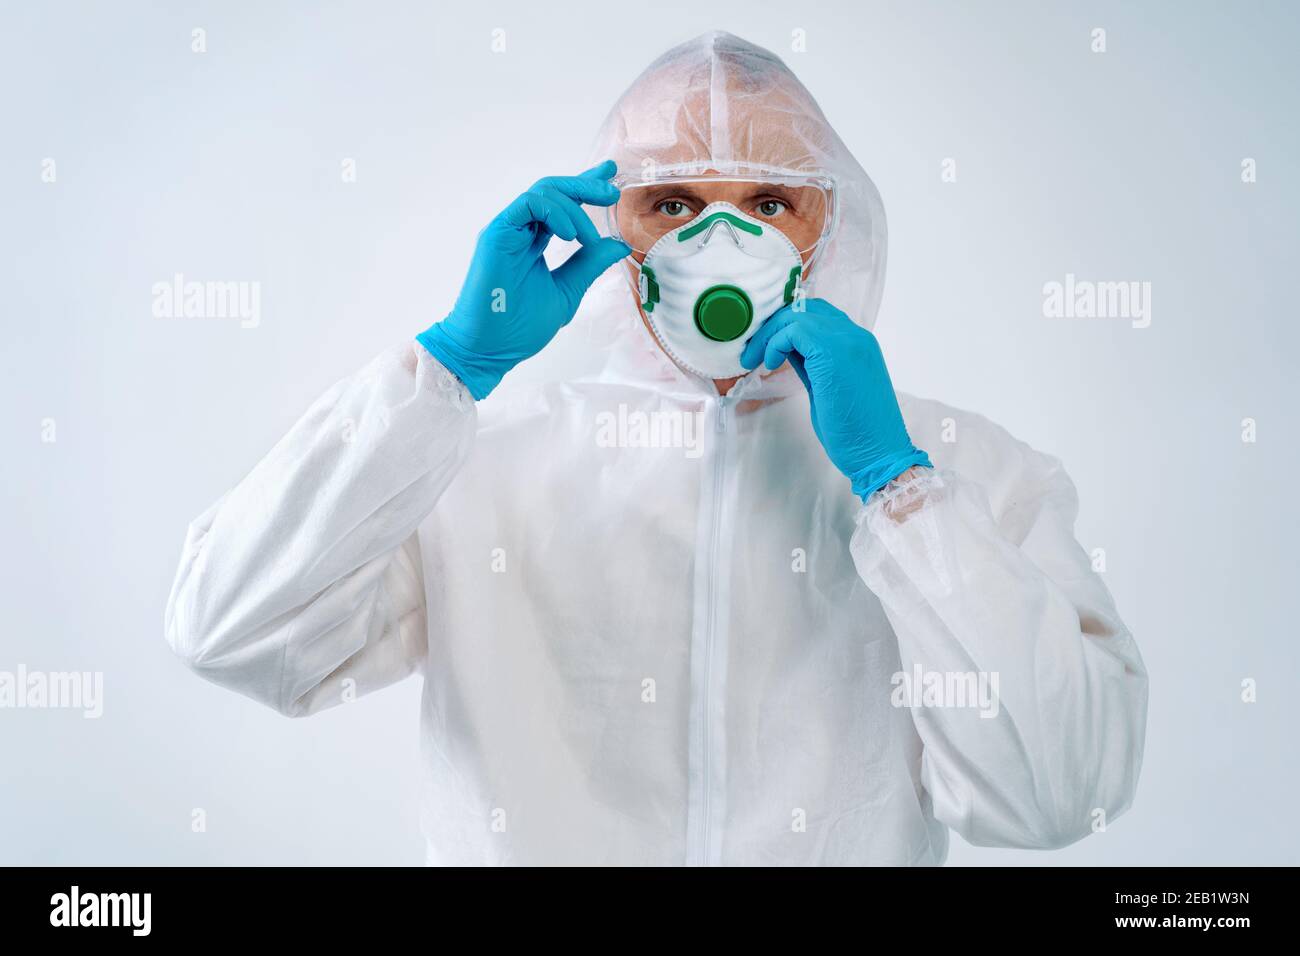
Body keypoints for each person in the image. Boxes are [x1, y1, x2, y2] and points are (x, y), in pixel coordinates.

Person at [165, 32, 1147, 866]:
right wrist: (447, 368)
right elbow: (229, 630)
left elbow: (1059, 789)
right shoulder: (474, 464)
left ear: (826, 227)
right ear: (612, 222)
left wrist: (902, 492)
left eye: (768, 201)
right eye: (673, 203)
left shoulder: (964, 471)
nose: (722, 242)